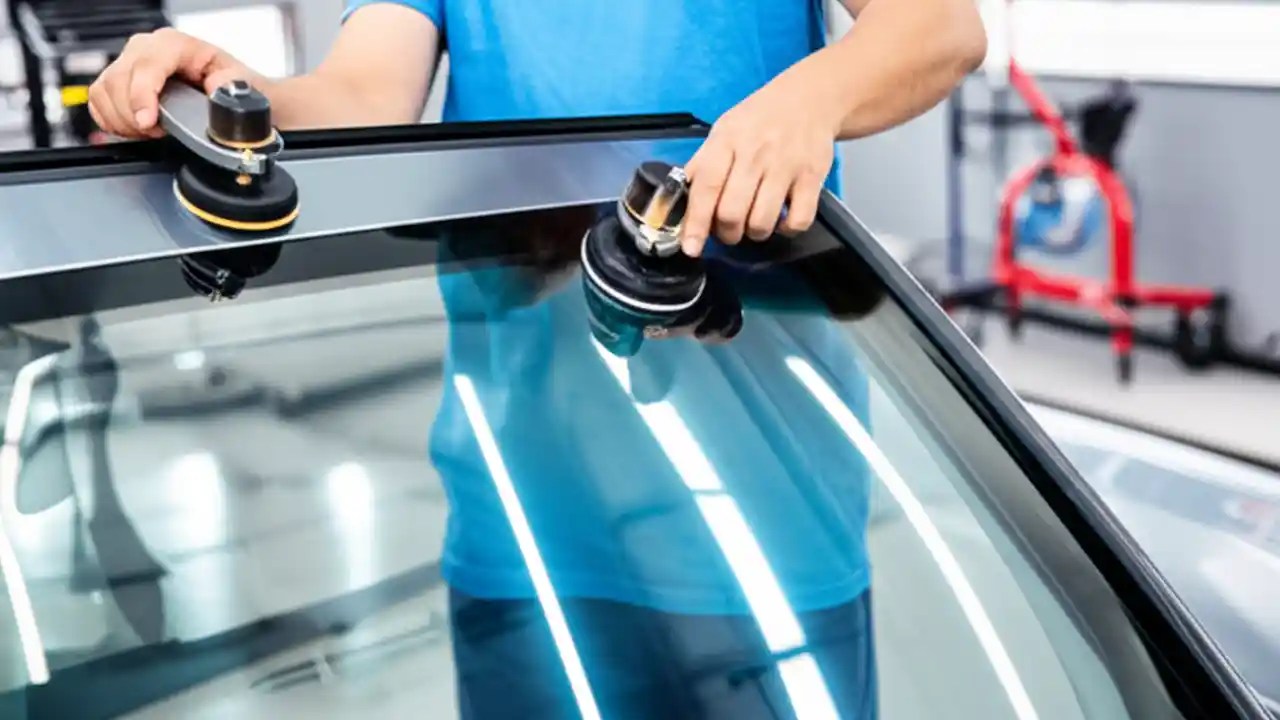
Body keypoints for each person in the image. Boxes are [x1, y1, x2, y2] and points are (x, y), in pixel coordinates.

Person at [89, 4, 986, 718]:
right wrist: (228, 100)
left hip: (765, 521)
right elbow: (361, 95)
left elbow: (940, 25)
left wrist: (805, 102)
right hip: (521, 518)